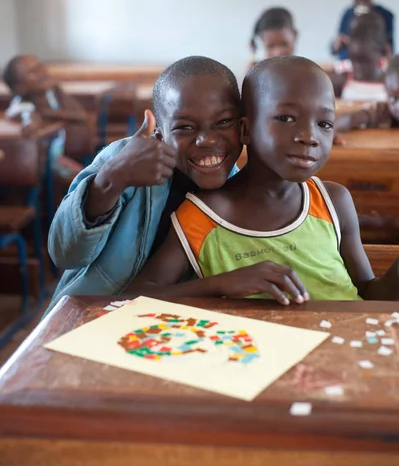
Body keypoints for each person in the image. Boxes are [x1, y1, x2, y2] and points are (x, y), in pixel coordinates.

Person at [131, 56, 399, 304]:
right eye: (286, 118)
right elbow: (138, 295)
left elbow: (369, 294)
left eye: (325, 124)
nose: (309, 136)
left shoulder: (333, 202)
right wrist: (220, 285)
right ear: (245, 129)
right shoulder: (203, 217)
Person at [44, 56, 243, 315]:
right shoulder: (123, 160)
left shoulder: (243, 190)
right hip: (92, 315)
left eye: (224, 122)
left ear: (243, 126)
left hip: (181, 329)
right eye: (184, 127)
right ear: (159, 135)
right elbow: (64, 254)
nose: (205, 140)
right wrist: (111, 180)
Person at [3, 54, 95, 164]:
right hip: (43, 162)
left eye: (41, 67)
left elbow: (80, 116)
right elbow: (29, 120)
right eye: (33, 71)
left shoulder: (53, 93)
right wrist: (58, 122)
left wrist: (57, 91)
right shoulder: (22, 105)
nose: (42, 73)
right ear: (19, 88)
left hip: (72, 153)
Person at [330, 13, 388, 102]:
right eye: (354, 60)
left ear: (381, 52)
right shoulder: (341, 81)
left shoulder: (391, 83)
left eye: (365, 61)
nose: (358, 67)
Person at [336, 54, 399, 131]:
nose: (398, 106)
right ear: (386, 92)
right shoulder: (380, 111)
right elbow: (347, 120)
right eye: (393, 98)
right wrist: (331, 131)